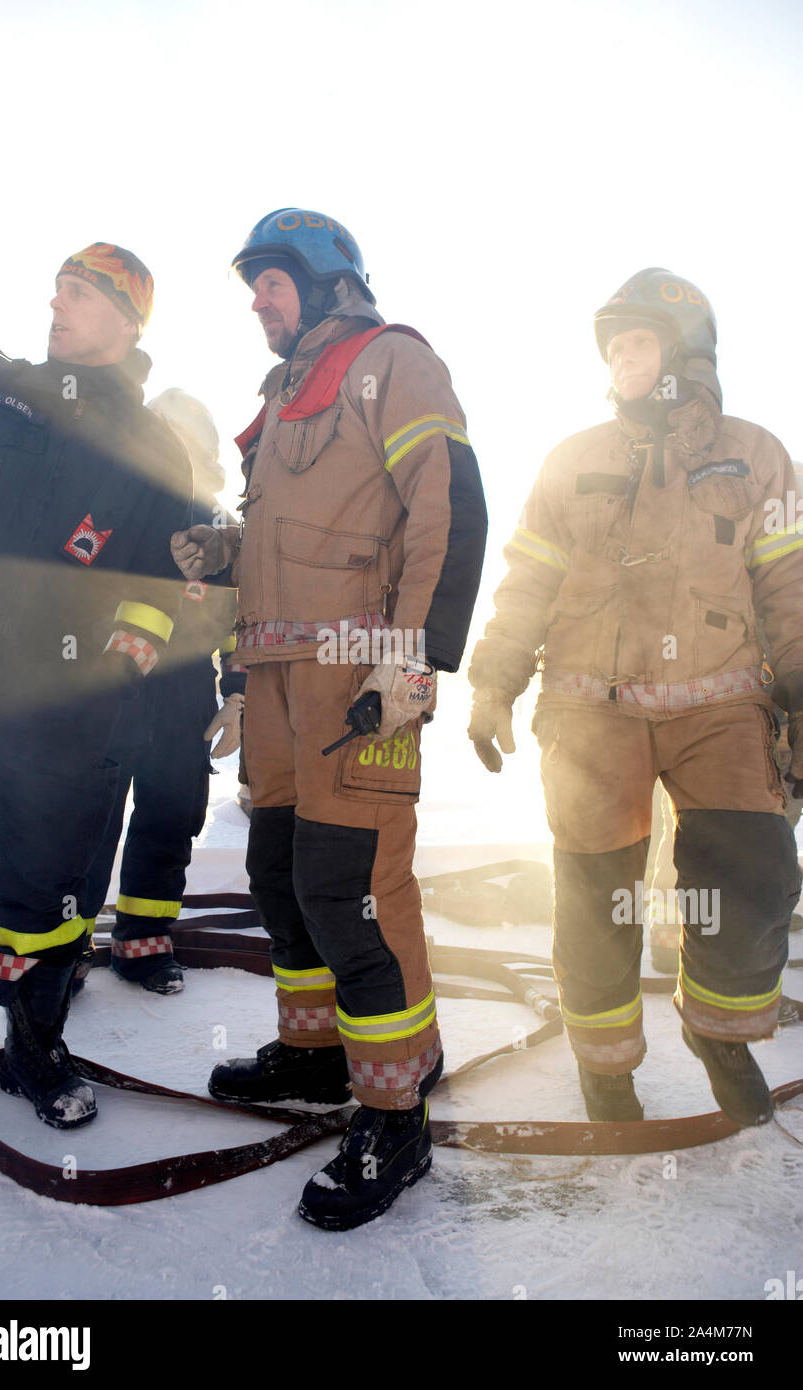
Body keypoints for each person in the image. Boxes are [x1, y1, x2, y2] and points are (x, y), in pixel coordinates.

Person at [171, 207, 487, 1229]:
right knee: (278, 874)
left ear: (325, 279)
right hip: (274, 677)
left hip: (364, 675)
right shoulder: (277, 399)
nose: (256, 300)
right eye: (252, 284)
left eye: (271, 279)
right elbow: (296, 539)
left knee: (349, 887)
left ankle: (395, 1110)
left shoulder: (389, 362)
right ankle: (313, 1055)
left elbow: (449, 506)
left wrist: (414, 659)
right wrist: (224, 551)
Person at [468, 267, 803, 1128]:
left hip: (722, 703)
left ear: (686, 351)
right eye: (613, 347)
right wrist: (496, 683)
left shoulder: (759, 454)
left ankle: (718, 1030)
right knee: (595, 895)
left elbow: (791, 586)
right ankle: (607, 1069)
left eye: (638, 342)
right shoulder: (572, 457)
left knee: (757, 871)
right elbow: (526, 580)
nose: (621, 358)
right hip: (590, 707)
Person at [0, 243, 192, 1125]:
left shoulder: (153, 448)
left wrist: (116, 669)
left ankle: (34, 1046)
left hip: (58, 705)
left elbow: (161, 589)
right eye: (57, 287)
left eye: (79, 293)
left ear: (127, 323)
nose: (56, 302)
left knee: (44, 895)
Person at [75, 390, 241, 995]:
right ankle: (67, 945)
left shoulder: (224, 528)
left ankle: (143, 943)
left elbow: (243, 618)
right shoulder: (116, 504)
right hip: (115, 688)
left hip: (186, 696)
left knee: (171, 817)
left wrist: (239, 693)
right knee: (90, 821)